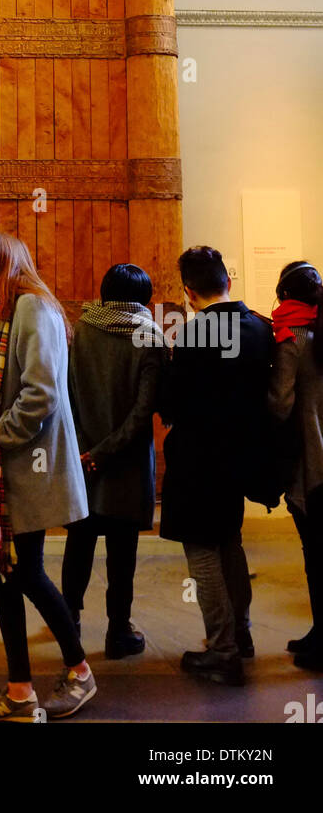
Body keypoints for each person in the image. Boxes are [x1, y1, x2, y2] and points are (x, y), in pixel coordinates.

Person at [0, 231, 95, 722]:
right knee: (3, 571)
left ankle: (79, 672)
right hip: (5, 473)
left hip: (26, 466)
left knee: (24, 571)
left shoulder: (32, 308)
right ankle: (19, 689)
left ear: (7, 254)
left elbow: (41, 393)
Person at [160, 245, 273, 686]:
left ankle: (222, 649)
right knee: (230, 543)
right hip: (239, 456)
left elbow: (171, 404)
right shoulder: (260, 328)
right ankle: (241, 635)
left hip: (198, 459)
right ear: (228, 280)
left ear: (188, 291)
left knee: (202, 551)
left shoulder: (191, 335)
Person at [62, 263, 166, 657]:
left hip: (82, 461)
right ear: (144, 298)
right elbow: (143, 414)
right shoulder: (150, 338)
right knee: (122, 556)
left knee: (79, 545)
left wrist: (86, 453)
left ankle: (68, 623)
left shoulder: (81, 330)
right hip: (126, 468)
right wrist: (105, 453)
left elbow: (66, 395)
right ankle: (117, 633)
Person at [268, 260, 323, 670]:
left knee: (316, 553)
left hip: (313, 464)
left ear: (284, 294)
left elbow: (281, 403)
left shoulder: (292, 336)